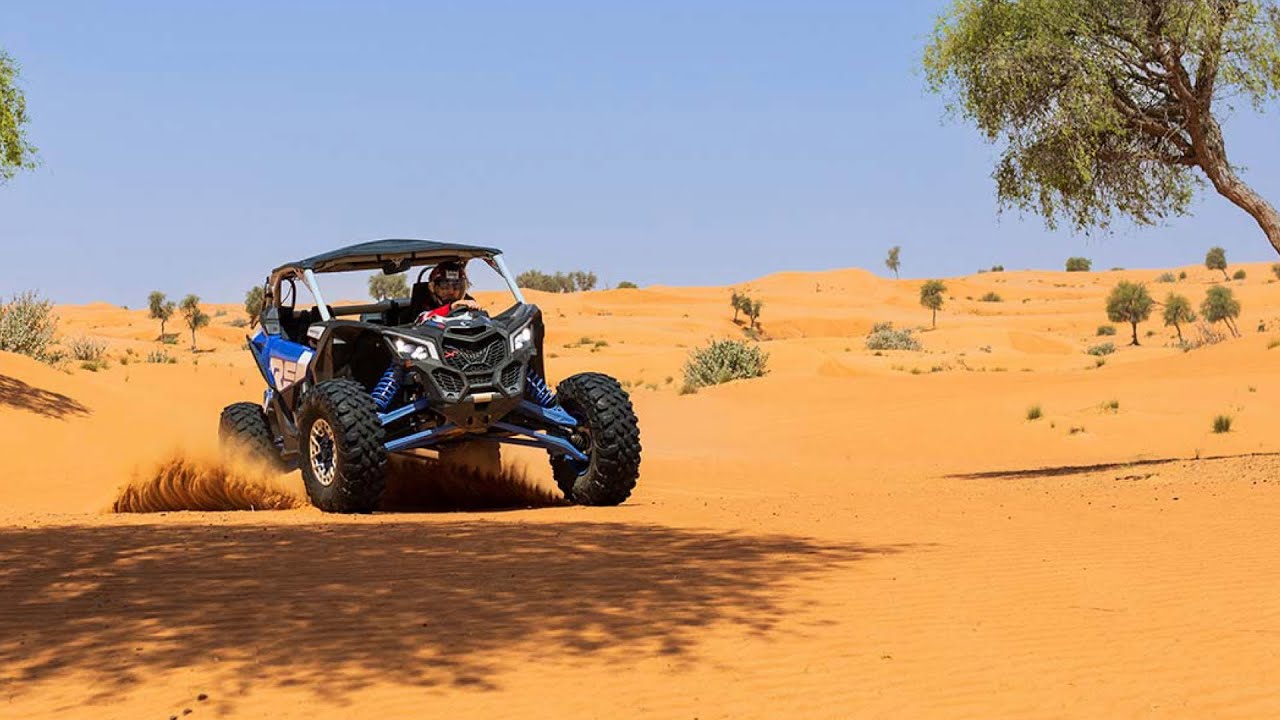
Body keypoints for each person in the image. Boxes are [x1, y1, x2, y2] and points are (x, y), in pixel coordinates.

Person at [415, 260, 480, 322]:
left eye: (456, 286)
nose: (451, 291)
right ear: (433, 287)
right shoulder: (426, 302)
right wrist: (451, 307)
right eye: (444, 286)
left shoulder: (468, 302)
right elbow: (421, 319)